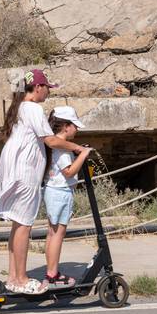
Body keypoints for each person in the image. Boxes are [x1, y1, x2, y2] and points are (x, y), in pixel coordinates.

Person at [0, 68, 88, 293]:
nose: (48, 93)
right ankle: (20, 279)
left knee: (18, 223)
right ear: (38, 87)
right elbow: (51, 141)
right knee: (24, 225)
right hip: (24, 172)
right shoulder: (33, 108)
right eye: (47, 88)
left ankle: (13, 276)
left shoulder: (20, 107)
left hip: (15, 168)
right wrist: (78, 148)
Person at [42, 106, 91, 288]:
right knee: (58, 234)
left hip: (53, 191)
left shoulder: (59, 146)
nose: (76, 130)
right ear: (65, 126)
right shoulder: (62, 150)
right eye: (74, 126)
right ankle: (53, 274)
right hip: (60, 192)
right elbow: (69, 172)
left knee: (52, 233)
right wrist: (83, 155)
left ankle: (51, 271)